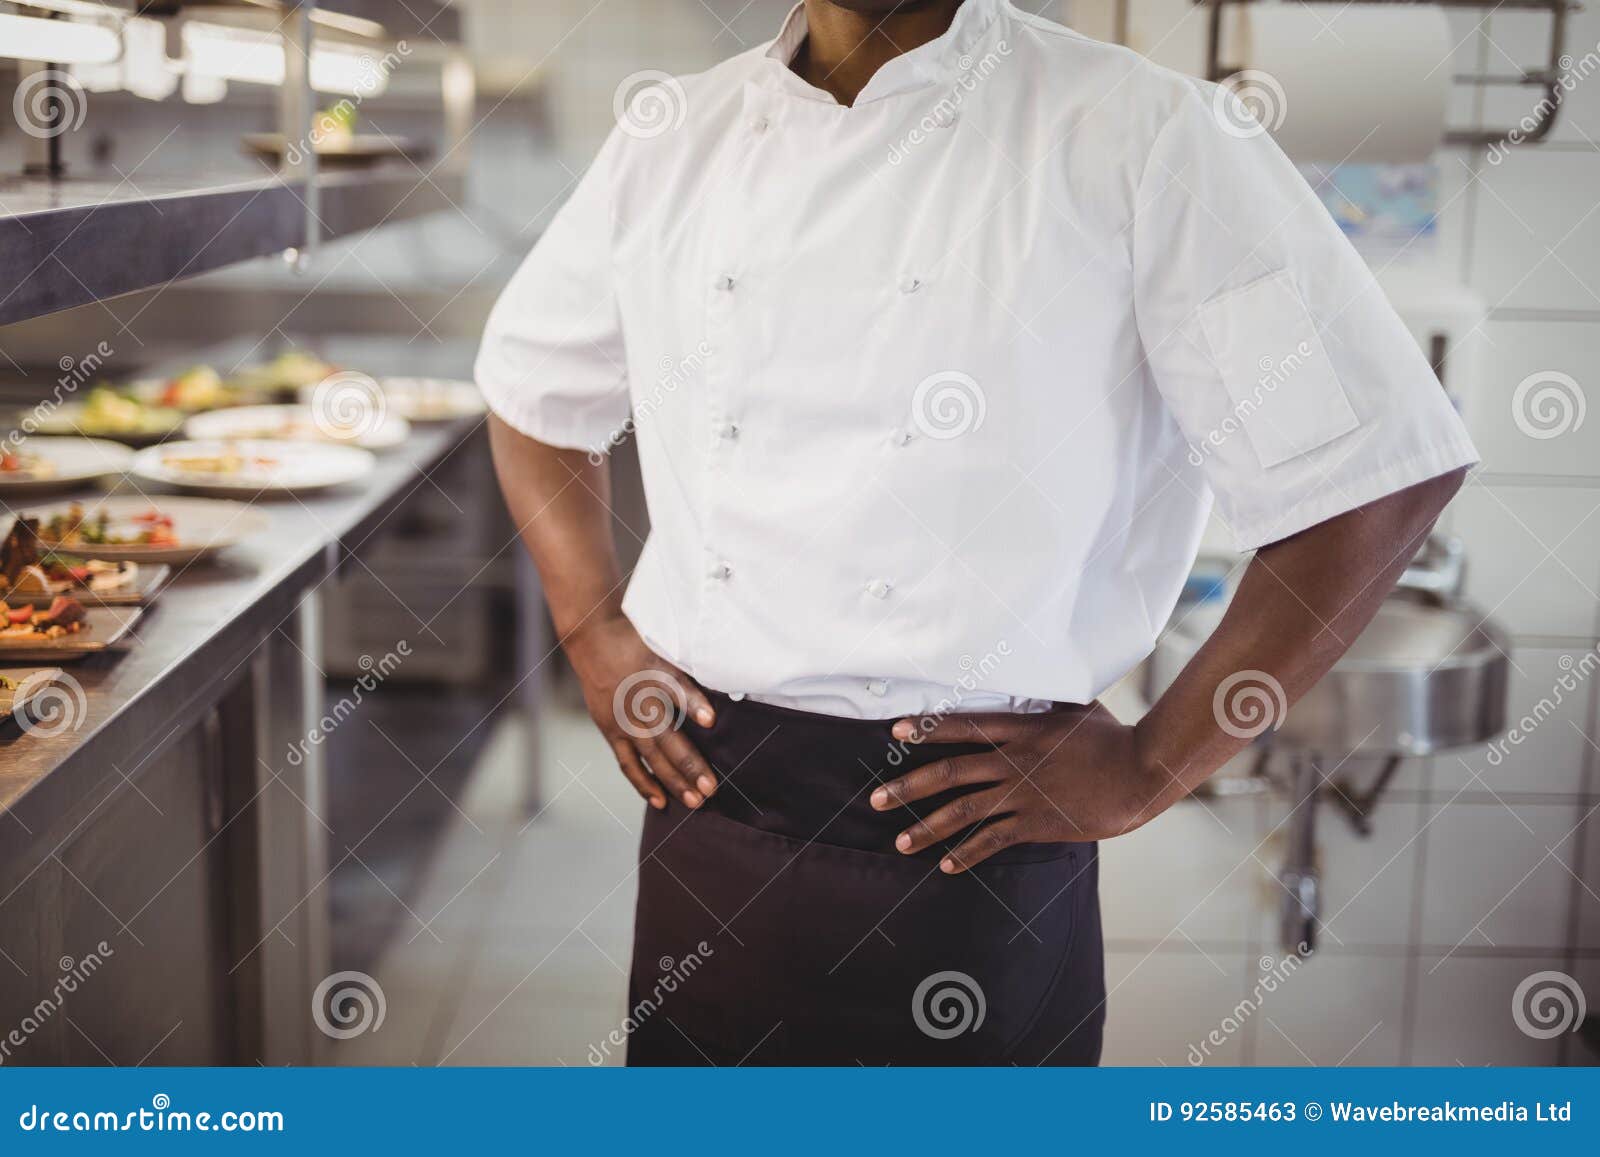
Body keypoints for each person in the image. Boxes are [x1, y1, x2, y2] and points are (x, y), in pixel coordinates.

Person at [475, 0, 1477, 1065]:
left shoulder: (1142, 131)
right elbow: (536, 391)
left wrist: (1149, 765)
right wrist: (588, 626)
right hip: (709, 795)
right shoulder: (673, 133)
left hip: (973, 826)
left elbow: (1374, 476)